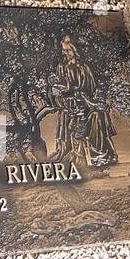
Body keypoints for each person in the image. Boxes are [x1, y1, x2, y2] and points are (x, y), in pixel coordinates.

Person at [50, 34, 117, 168]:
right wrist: (60, 92)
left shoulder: (84, 68)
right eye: (64, 51)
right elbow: (59, 89)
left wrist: (89, 100)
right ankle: (80, 155)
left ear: (75, 50)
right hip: (72, 105)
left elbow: (91, 89)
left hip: (86, 104)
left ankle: (99, 154)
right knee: (88, 115)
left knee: (97, 115)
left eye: (68, 50)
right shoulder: (61, 68)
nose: (65, 54)